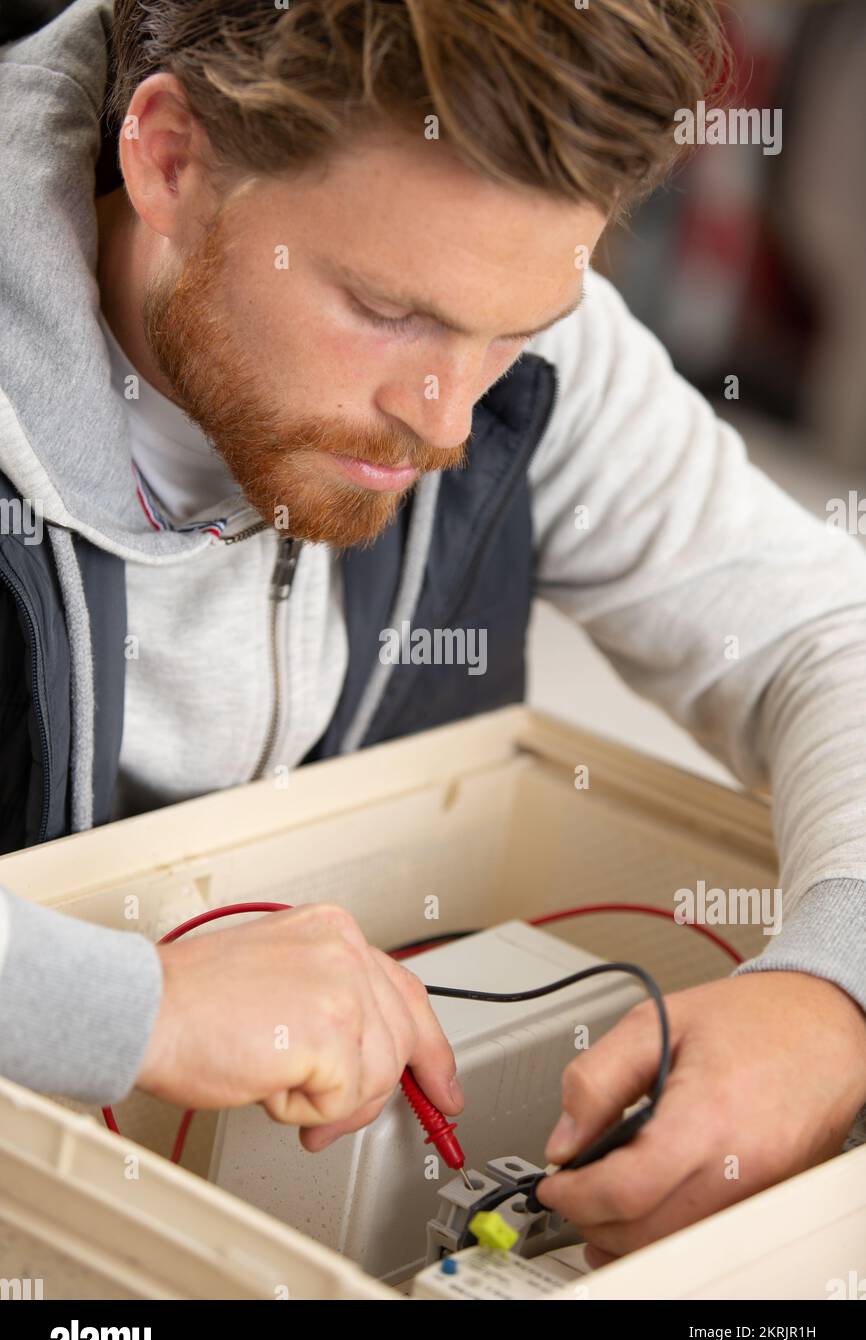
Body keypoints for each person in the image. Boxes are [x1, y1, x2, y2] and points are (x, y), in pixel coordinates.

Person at [1, 0, 865, 1271]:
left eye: (513, 328)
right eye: (386, 309)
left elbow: (820, 636)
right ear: (170, 159)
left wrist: (828, 990)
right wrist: (133, 1007)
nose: (449, 423)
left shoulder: (514, 357)